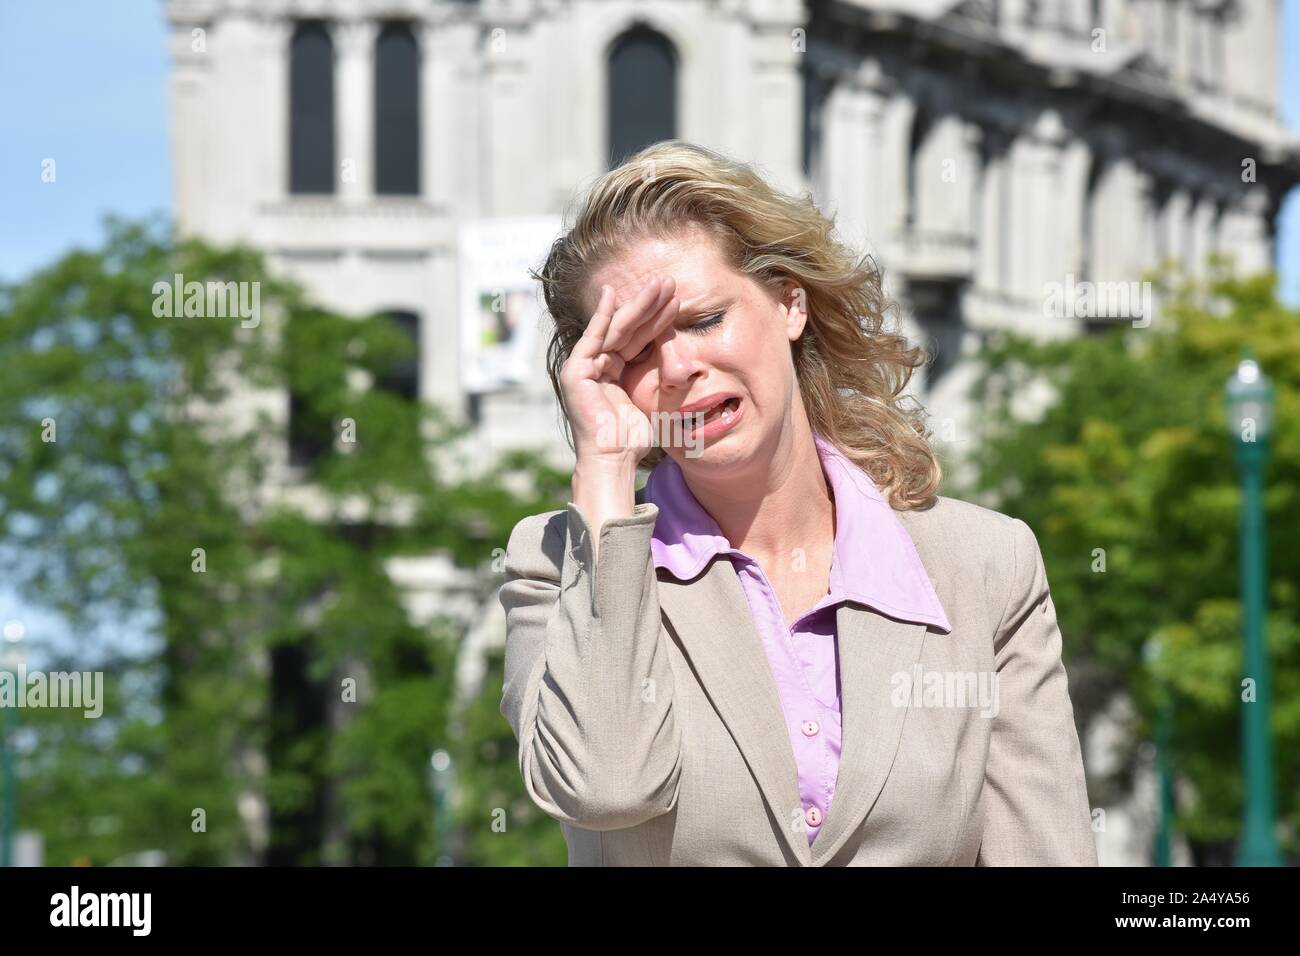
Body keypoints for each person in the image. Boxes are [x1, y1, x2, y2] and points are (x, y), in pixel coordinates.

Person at [498, 140, 1098, 866]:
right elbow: (608, 790)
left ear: (789, 302)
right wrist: (604, 475)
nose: (680, 367)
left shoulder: (985, 565)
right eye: (637, 350)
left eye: (702, 320)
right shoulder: (555, 564)